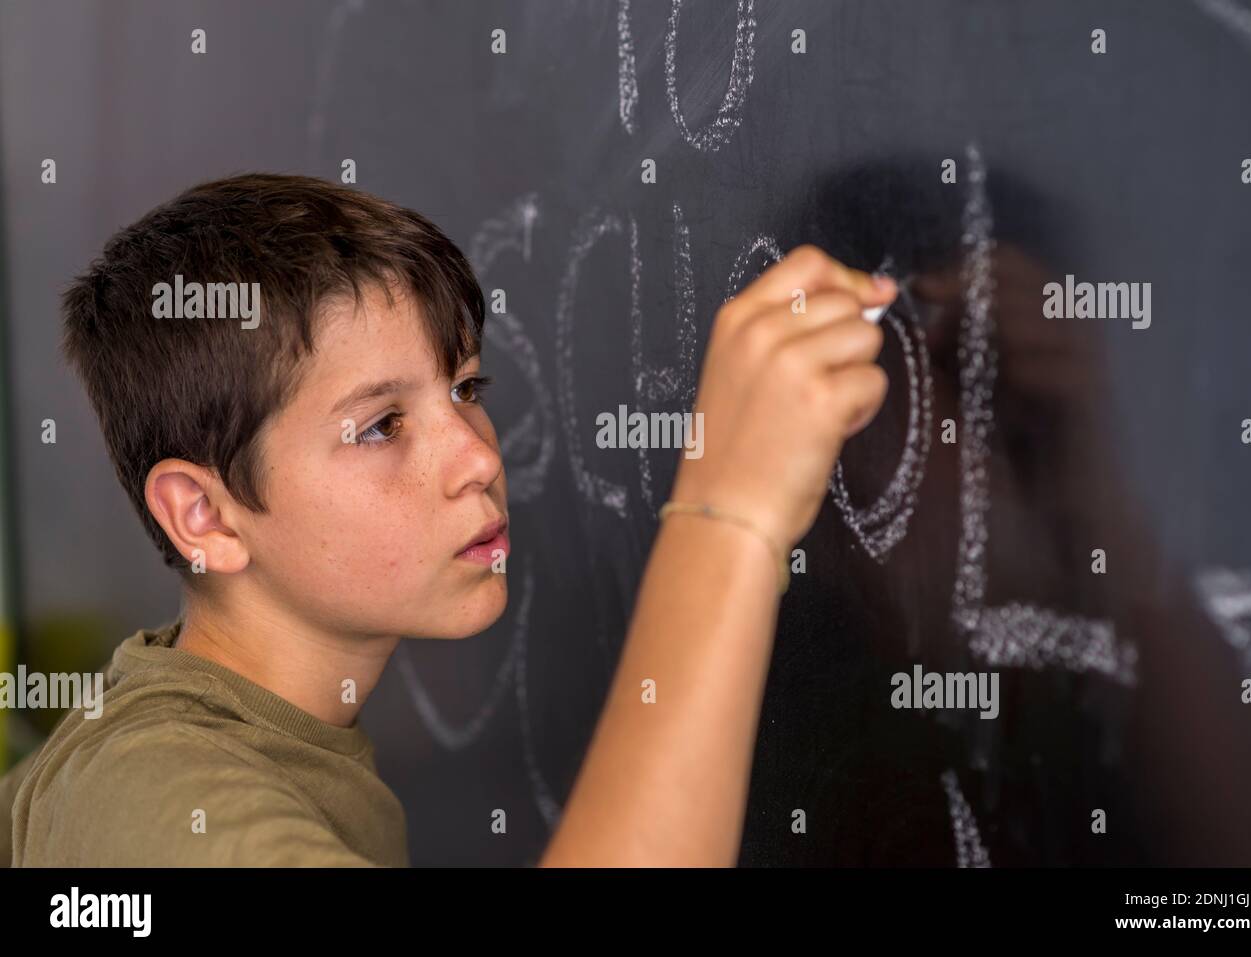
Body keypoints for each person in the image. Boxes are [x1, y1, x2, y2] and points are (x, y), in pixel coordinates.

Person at [0, 173, 894, 866]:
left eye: (466, 390)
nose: (479, 456)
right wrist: (728, 513)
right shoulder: (158, 799)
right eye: (382, 426)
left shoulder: (248, 735)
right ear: (204, 514)